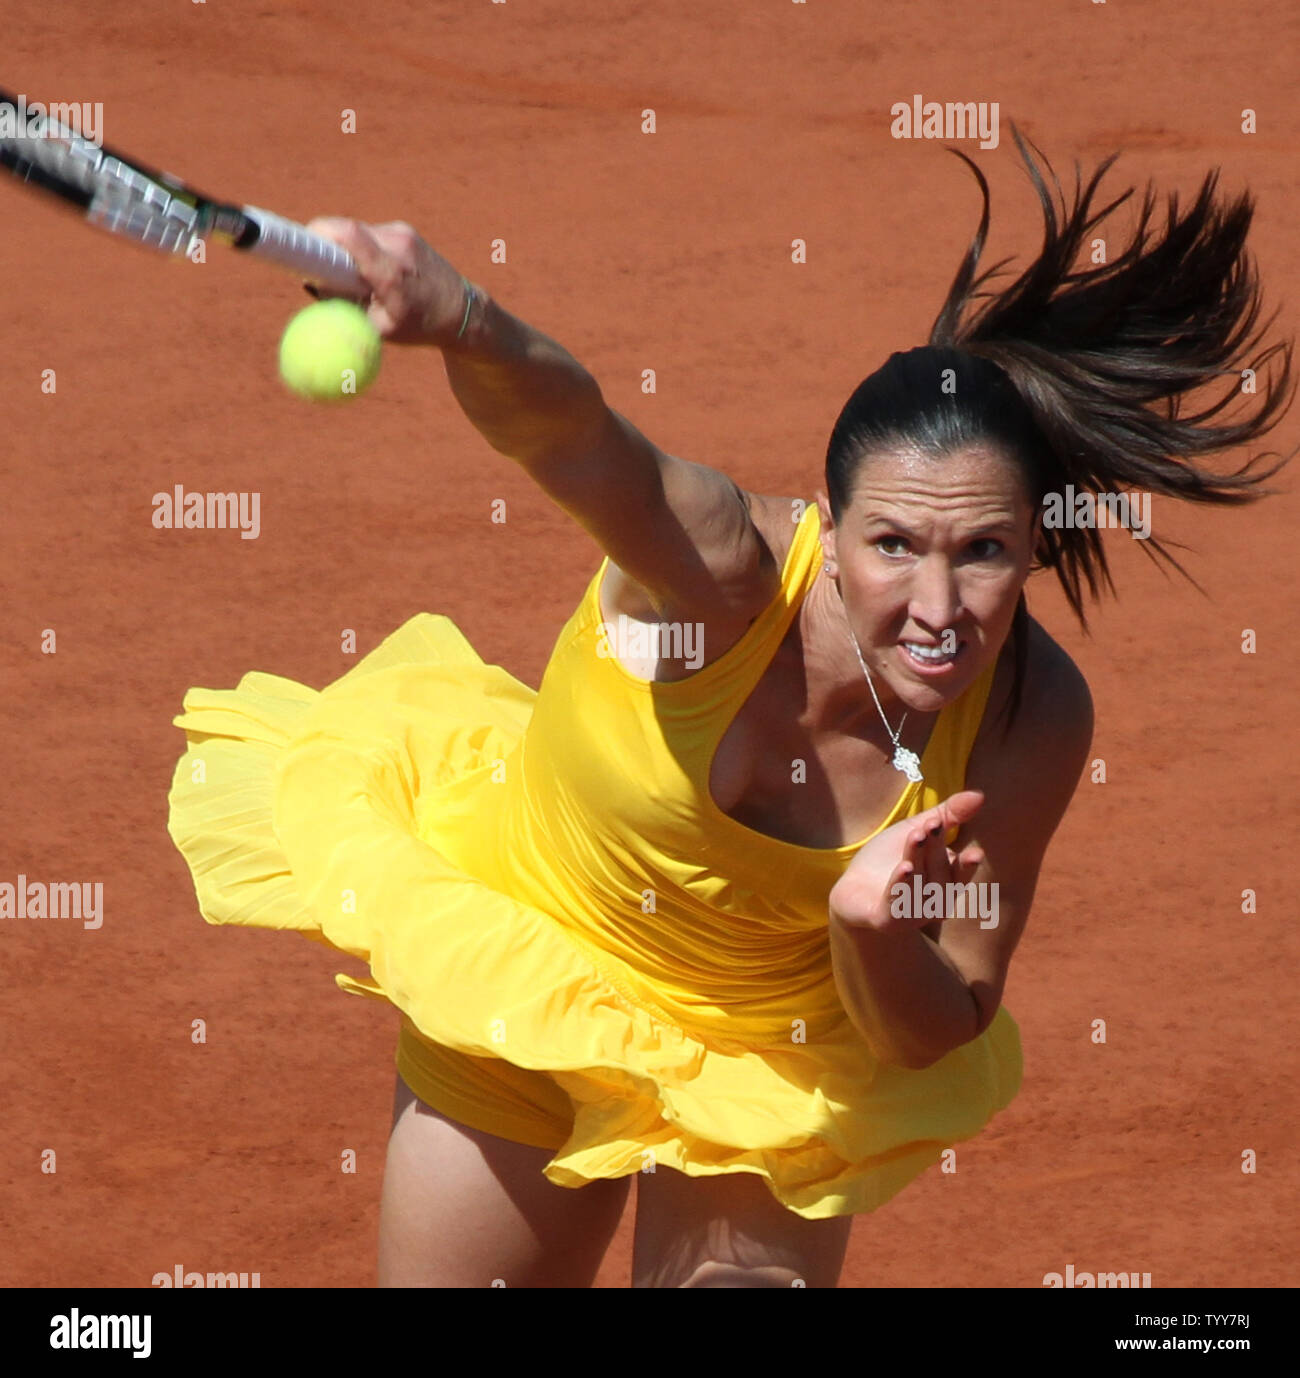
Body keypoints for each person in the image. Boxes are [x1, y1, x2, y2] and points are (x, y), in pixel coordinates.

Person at [166, 129, 1294, 1287]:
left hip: (776, 1058)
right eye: (893, 545)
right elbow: (573, 433)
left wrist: (868, 929)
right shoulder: (717, 568)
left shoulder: (1028, 720)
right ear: (829, 524)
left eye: (984, 552)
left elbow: (940, 1017)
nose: (937, 605)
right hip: (540, 958)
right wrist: (462, 318)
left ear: (1036, 549)